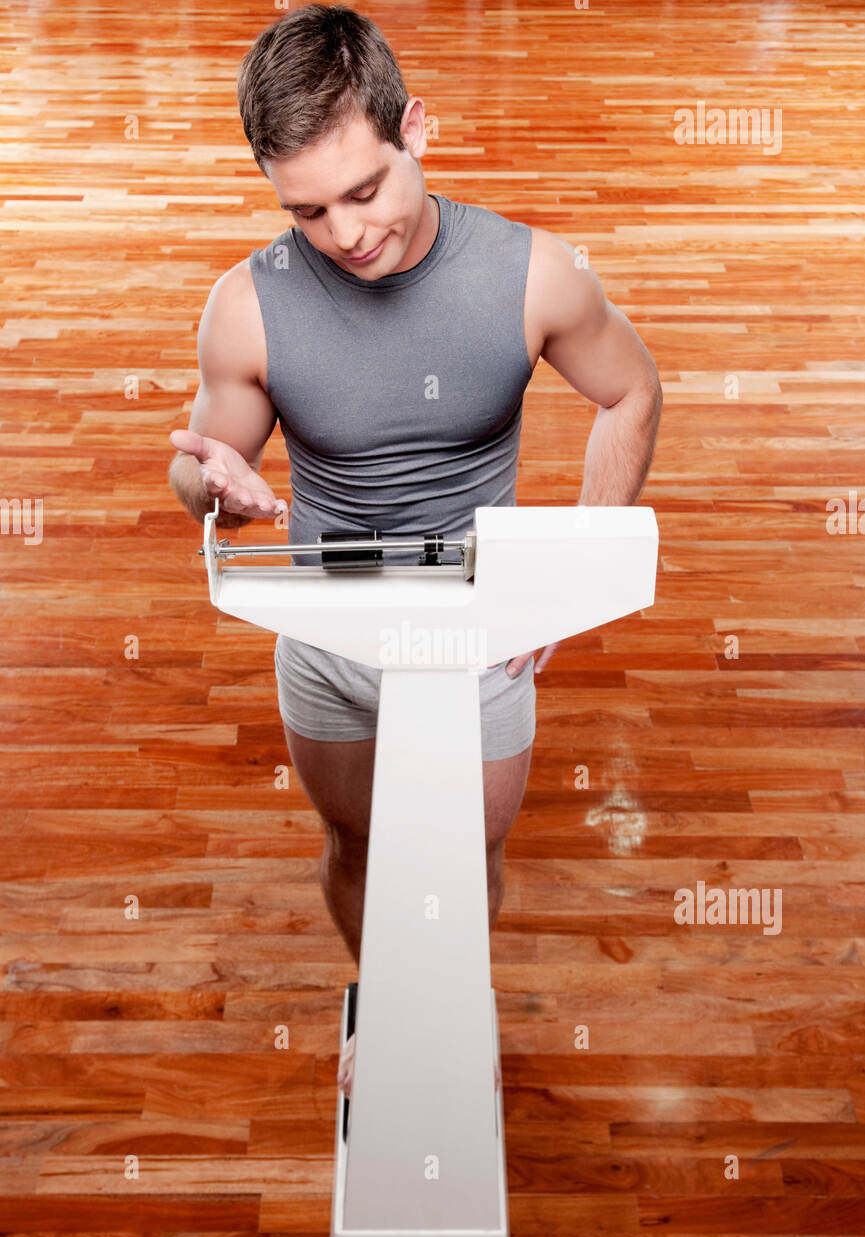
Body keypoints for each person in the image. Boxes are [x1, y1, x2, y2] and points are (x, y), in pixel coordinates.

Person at [167, 5, 662, 1098]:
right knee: (353, 838)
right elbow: (197, 464)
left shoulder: (533, 275)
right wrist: (220, 487)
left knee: (461, 856)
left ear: (416, 131)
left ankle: (449, 1002)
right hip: (327, 626)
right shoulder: (247, 306)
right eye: (307, 209)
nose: (345, 233)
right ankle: (387, 998)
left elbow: (630, 391)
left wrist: (568, 573)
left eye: (365, 189)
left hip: (479, 632)